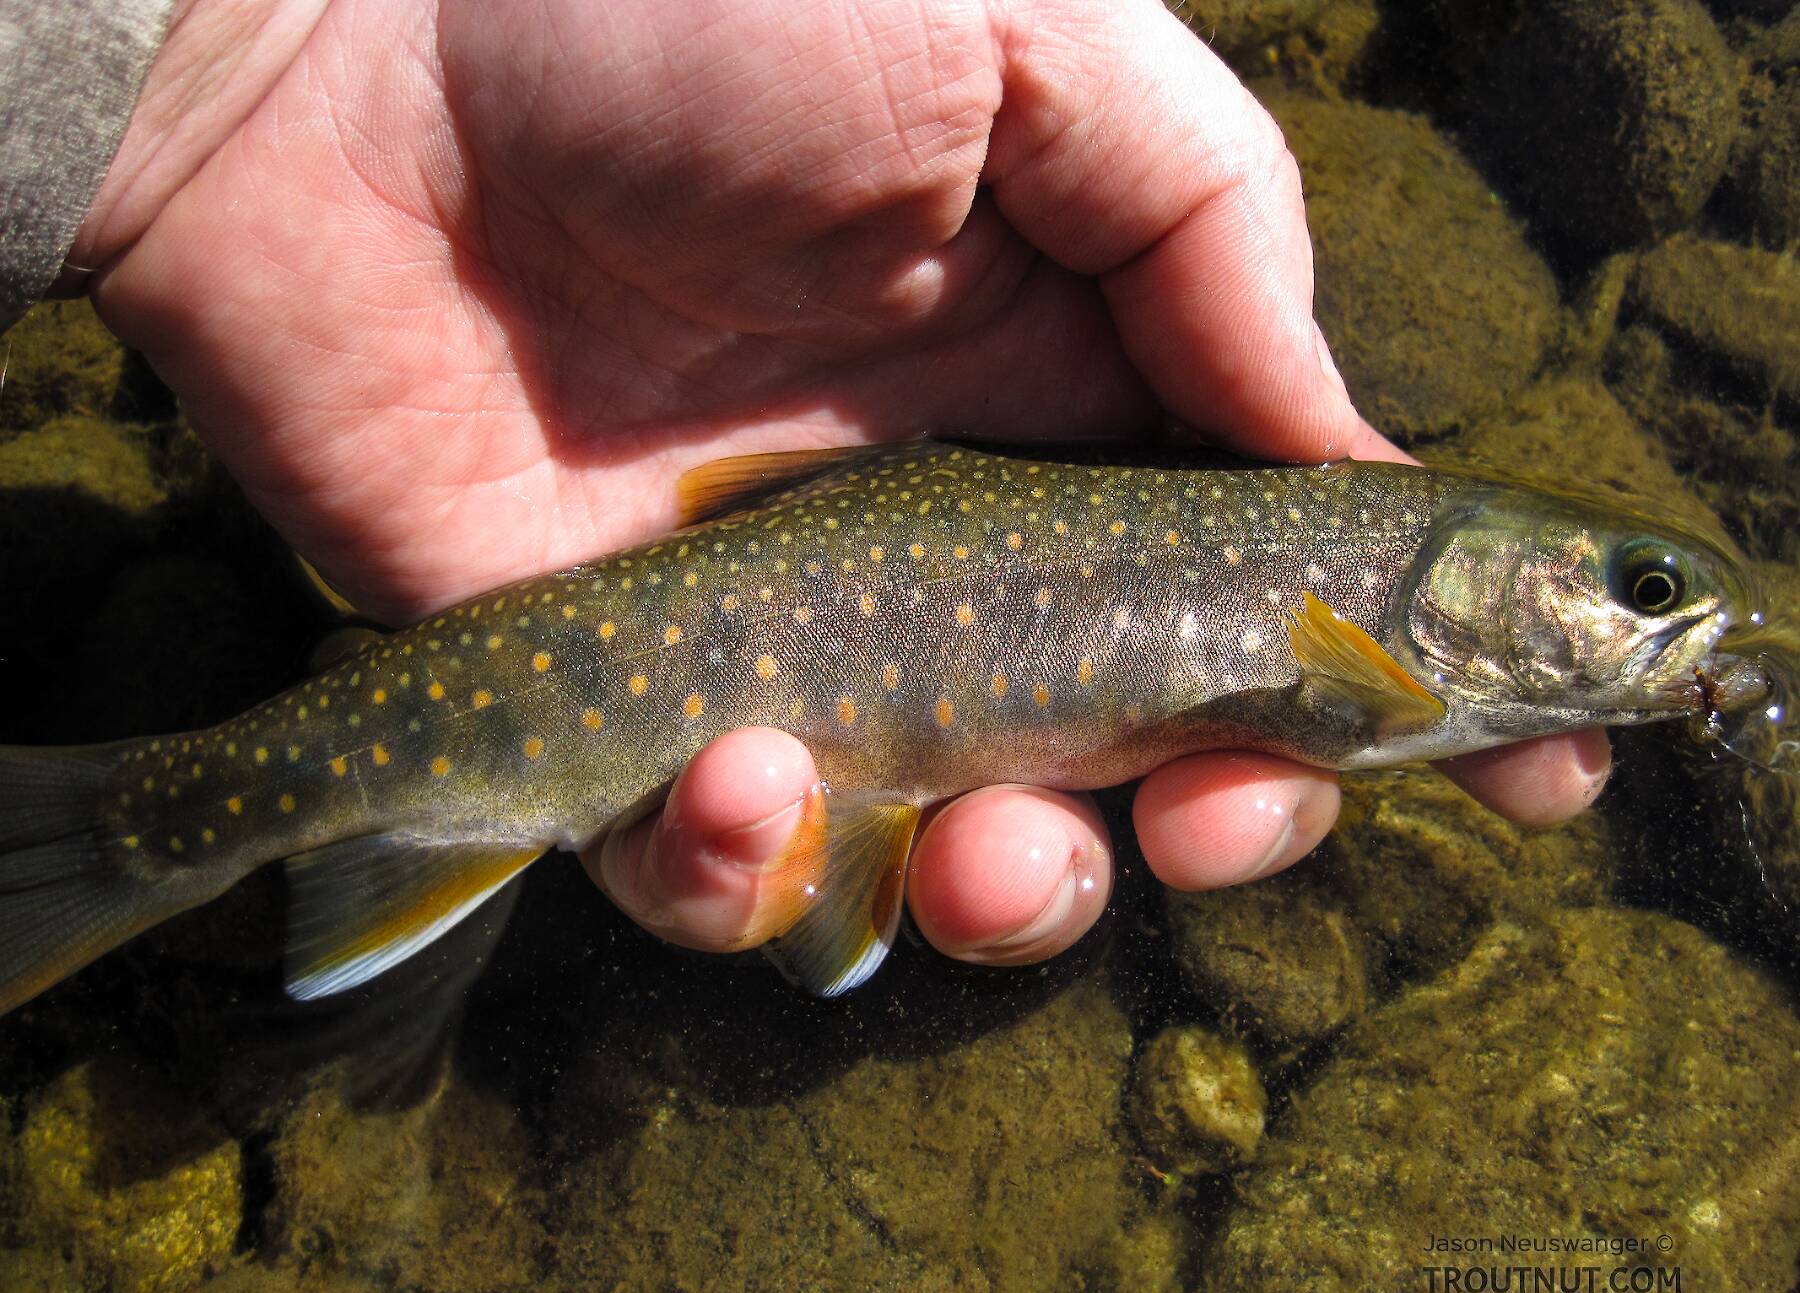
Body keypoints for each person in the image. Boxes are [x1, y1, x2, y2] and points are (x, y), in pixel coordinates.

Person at [2, 0, 1608, 971]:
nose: (1652, 621)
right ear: (1472, 566)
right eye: (1640, 593)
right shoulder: (1375, 654)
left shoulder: (1377, 625)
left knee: (806, 840)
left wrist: (243, 74)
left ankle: (182, 822)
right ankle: (146, 828)